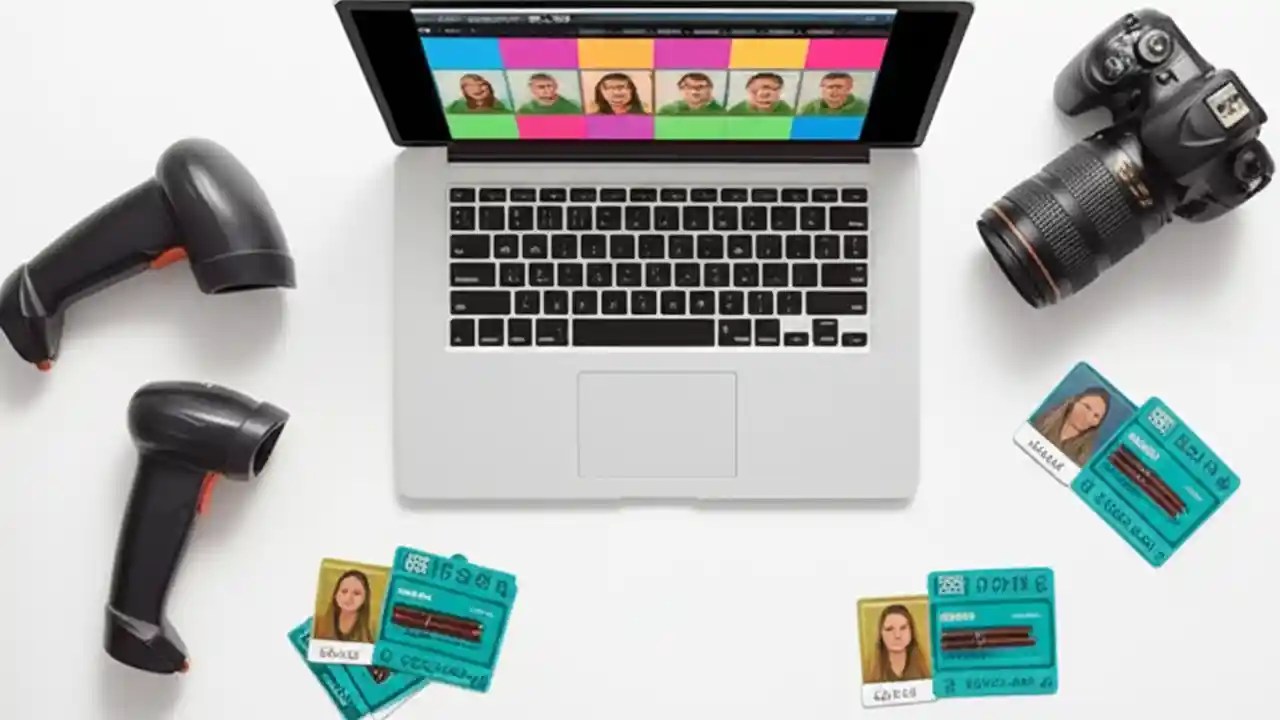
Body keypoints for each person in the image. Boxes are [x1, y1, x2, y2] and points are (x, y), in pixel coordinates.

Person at [1031, 386, 1112, 466]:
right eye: (1087, 407)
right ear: (1075, 402)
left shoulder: (1082, 460)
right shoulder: (1038, 422)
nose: (1088, 417)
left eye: (1096, 416)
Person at [867, 604, 931, 683]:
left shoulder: (927, 671)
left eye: (903, 628)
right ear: (881, 634)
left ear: (911, 632)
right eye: (889, 629)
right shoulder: (871, 674)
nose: (897, 635)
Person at [313, 569, 377, 643]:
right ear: (335, 594)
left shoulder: (373, 631)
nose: (349, 598)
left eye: (356, 593)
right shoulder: (318, 624)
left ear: (365, 598)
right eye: (344, 591)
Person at [798, 72, 870, 116]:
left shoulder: (863, 108)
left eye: (839, 87)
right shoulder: (809, 108)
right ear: (822, 88)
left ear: (849, 88)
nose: (834, 91)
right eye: (830, 87)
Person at [727, 72, 793, 115]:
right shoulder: (735, 113)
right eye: (754, 91)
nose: (761, 95)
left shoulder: (786, 111)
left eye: (767, 93)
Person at [658, 72, 723, 114]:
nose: (694, 91)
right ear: (680, 89)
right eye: (688, 87)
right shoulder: (668, 110)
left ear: (710, 89)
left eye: (700, 87)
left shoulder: (719, 113)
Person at [517, 73, 582, 114]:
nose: (547, 89)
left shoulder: (571, 107)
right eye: (541, 87)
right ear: (532, 89)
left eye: (549, 86)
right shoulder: (525, 111)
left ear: (555, 86)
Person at [444, 73, 509, 113]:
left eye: (481, 84)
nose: (477, 89)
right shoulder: (455, 107)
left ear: (489, 88)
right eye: (471, 86)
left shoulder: (502, 111)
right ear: (463, 91)